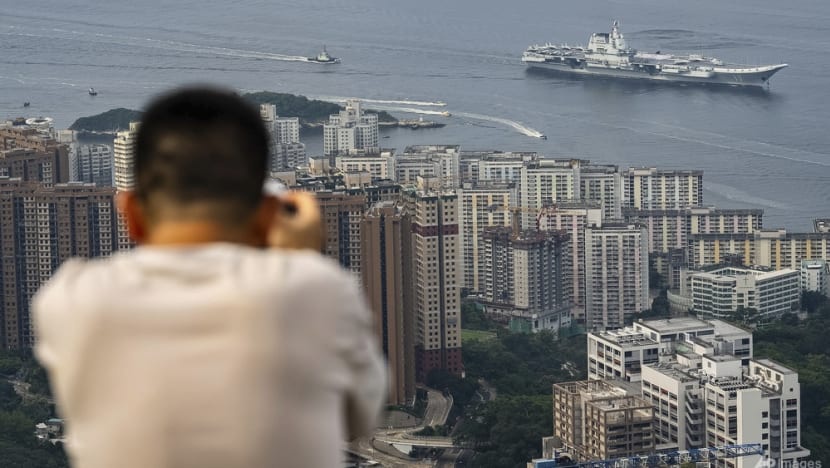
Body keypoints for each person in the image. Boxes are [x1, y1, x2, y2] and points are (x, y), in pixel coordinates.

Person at [33, 87, 386, 468]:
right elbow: (357, 418)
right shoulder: (319, 292)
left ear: (130, 213)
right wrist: (299, 260)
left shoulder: (70, 300)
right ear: (267, 215)